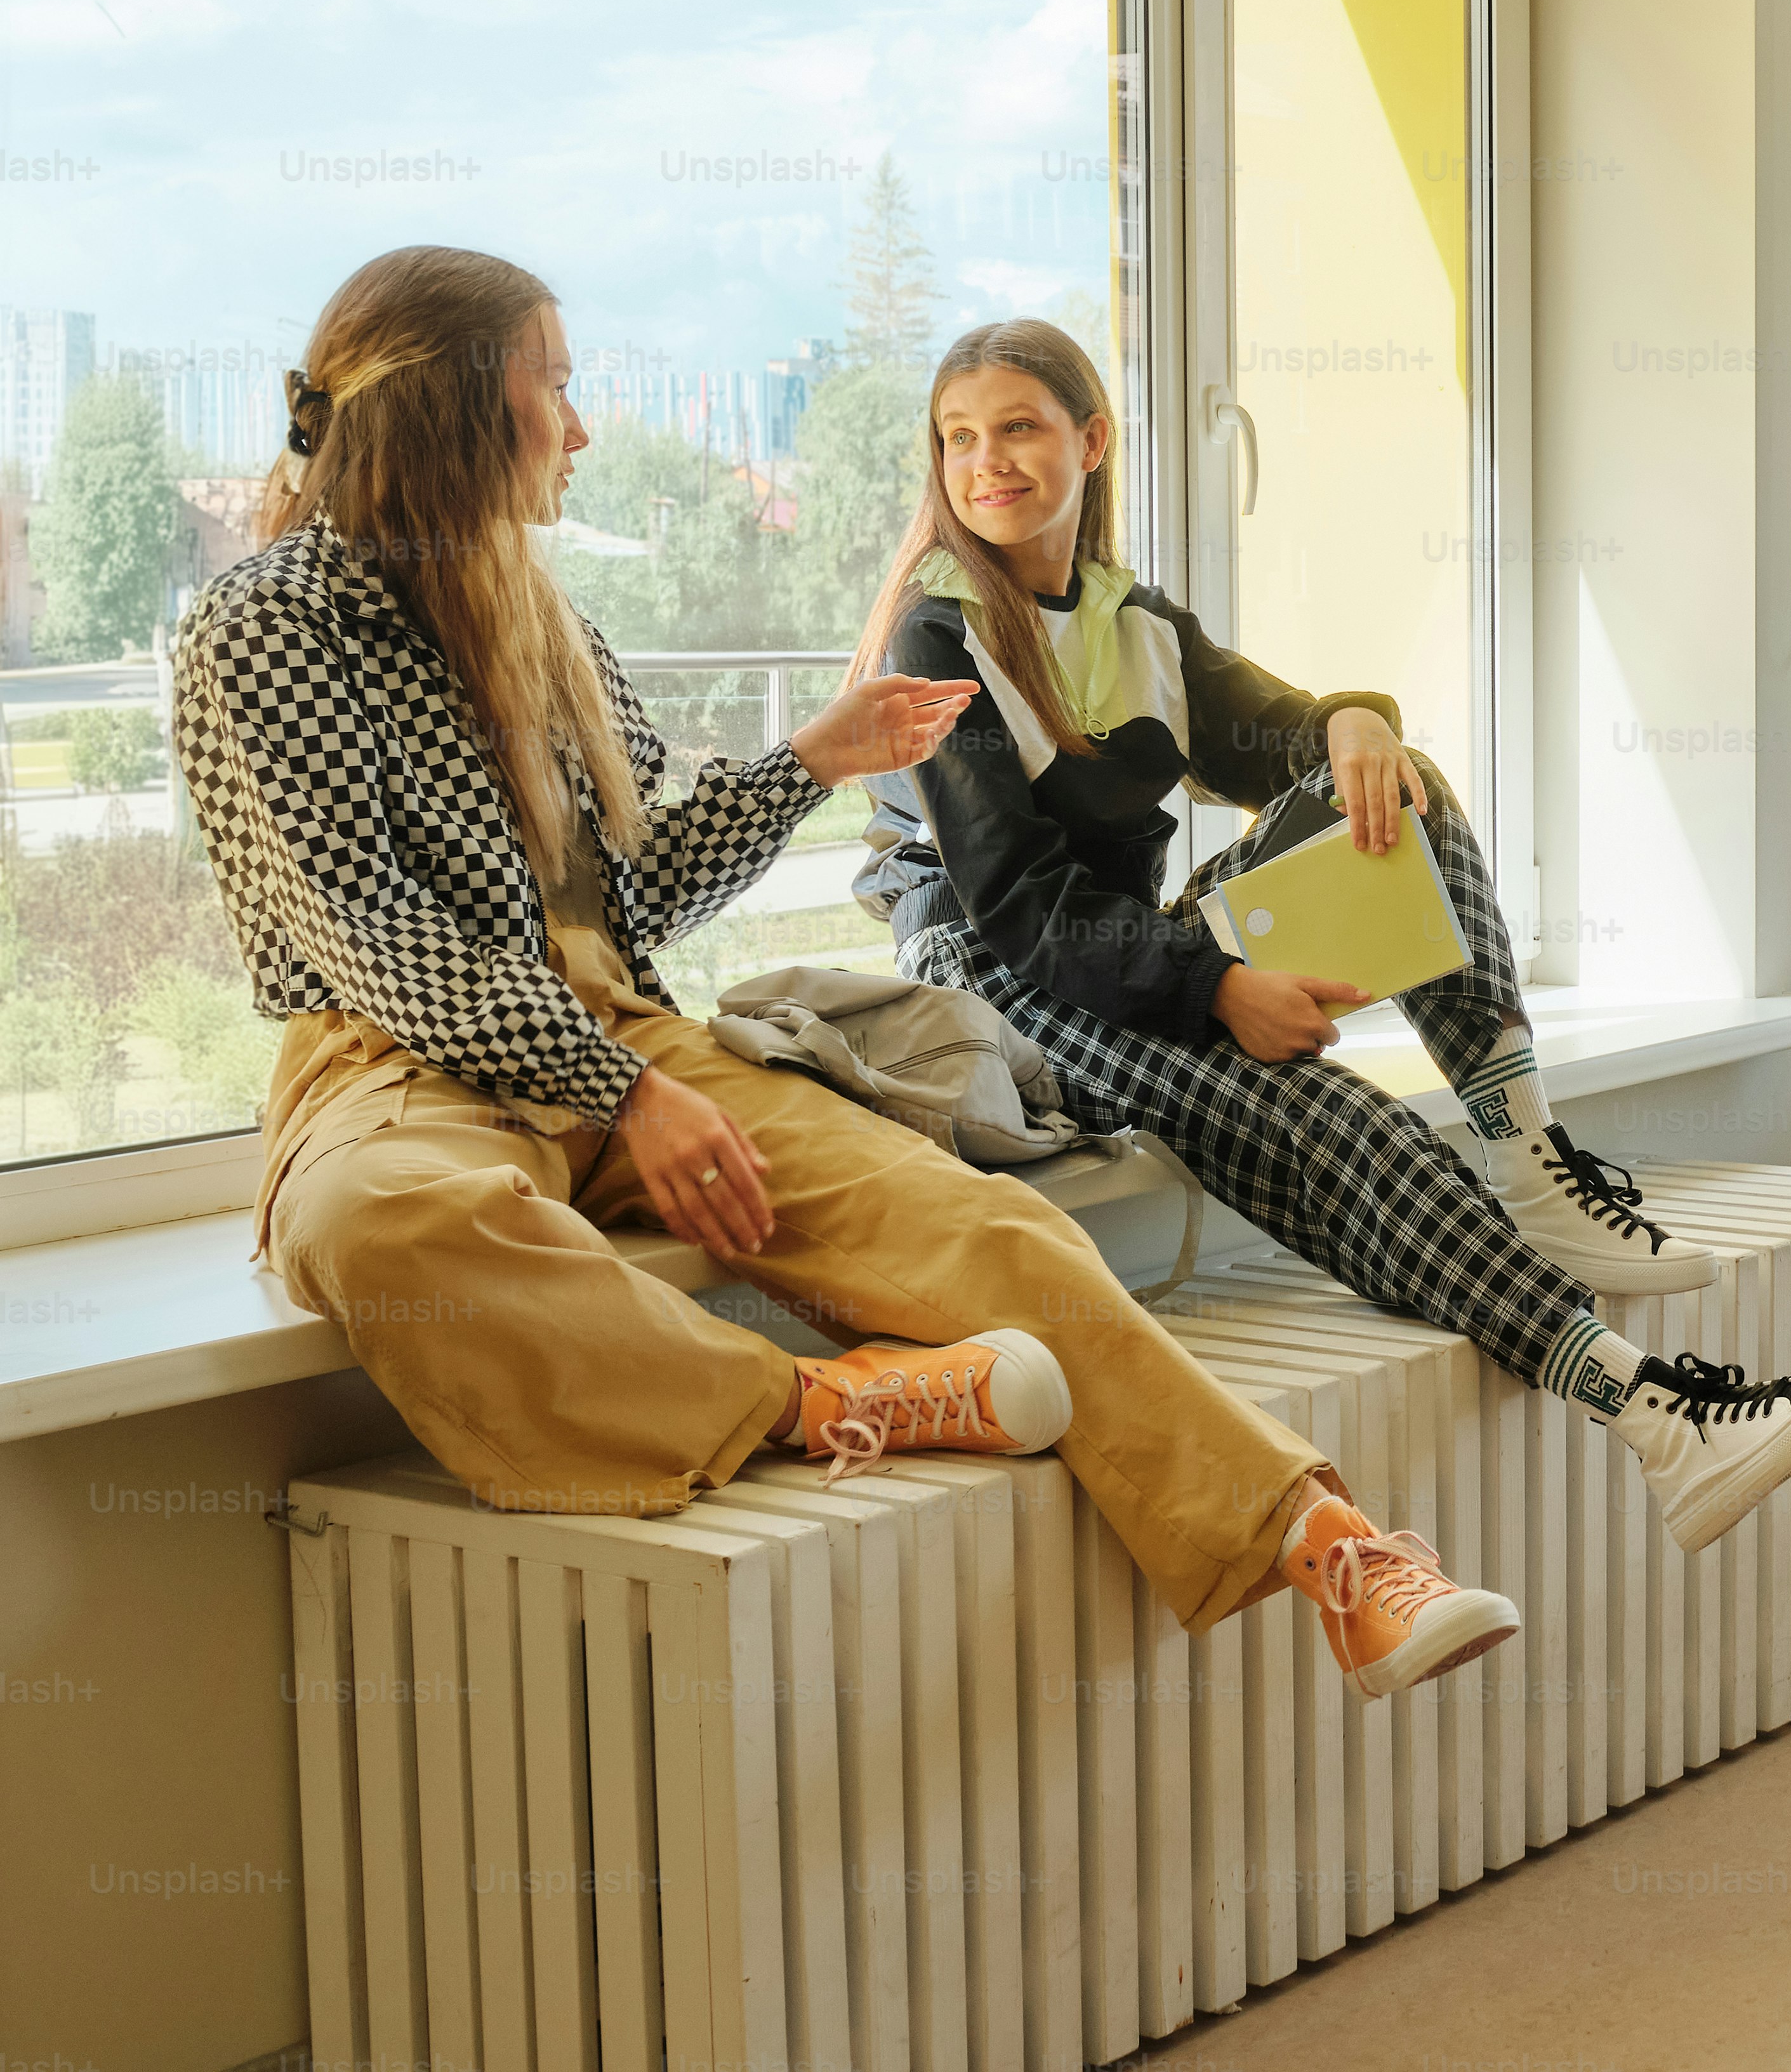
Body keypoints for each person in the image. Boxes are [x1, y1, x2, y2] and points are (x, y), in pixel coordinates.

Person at [180, 246, 1515, 1701]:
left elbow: (640, 886)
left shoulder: (540, 616)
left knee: (991, 1233)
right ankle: (822, 1399)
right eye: (553, 388)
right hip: (393, 1060)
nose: (578, 425)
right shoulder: (264, 624)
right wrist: (621, 1093)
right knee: (380, 1228)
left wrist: (820, 753)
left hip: (615, 1029)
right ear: (448, 410)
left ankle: (1328, 1545)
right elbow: (379, 943)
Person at [850, 319, 1791, 1555]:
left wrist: (1352, 724)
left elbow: (1269, 729)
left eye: (1016, 425)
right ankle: (1662, 1415)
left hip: (1119, 948)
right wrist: (1218, 985)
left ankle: (1529, 1156)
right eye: (959, 437)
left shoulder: (1134, 622)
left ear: (1092, 438)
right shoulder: (937, 632)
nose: (985, 461)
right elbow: (1018, 909)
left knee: (1396, 779)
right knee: (1344, 1115)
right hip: (1003, 978)